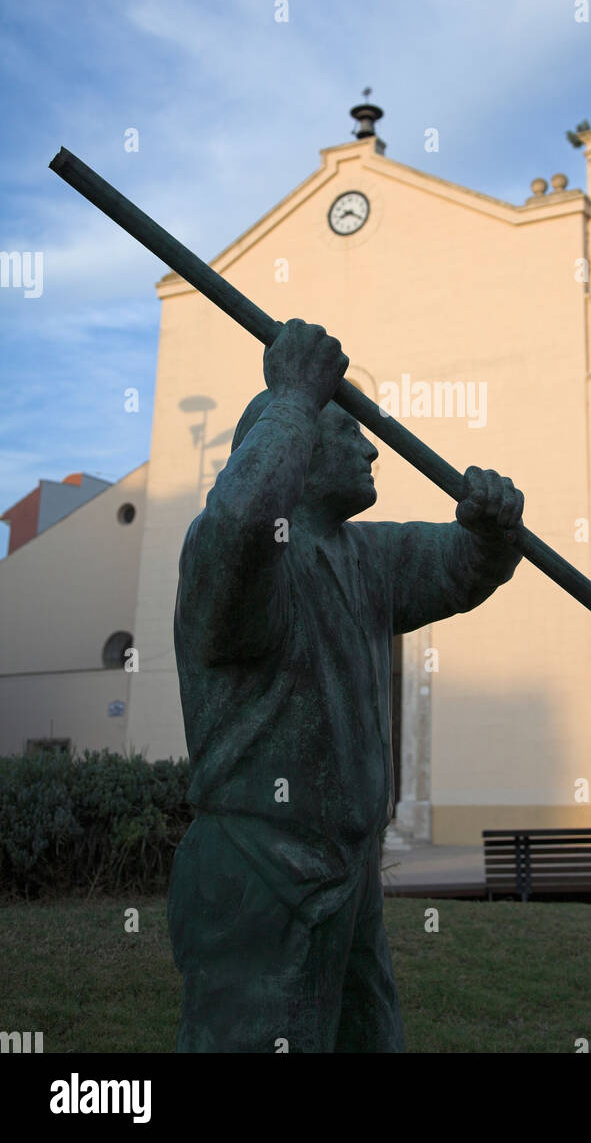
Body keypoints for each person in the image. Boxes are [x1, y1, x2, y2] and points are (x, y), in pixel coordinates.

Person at [167, 318, 524, 1052]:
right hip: (260, 868)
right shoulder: (236, 552)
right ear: (293, 453)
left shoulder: (367, 555)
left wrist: (494, 531)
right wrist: (295, 395)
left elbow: (461, 566)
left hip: (348, 867)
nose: (369, 449)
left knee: (368, 1039)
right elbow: (239, 523)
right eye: (349, 433)